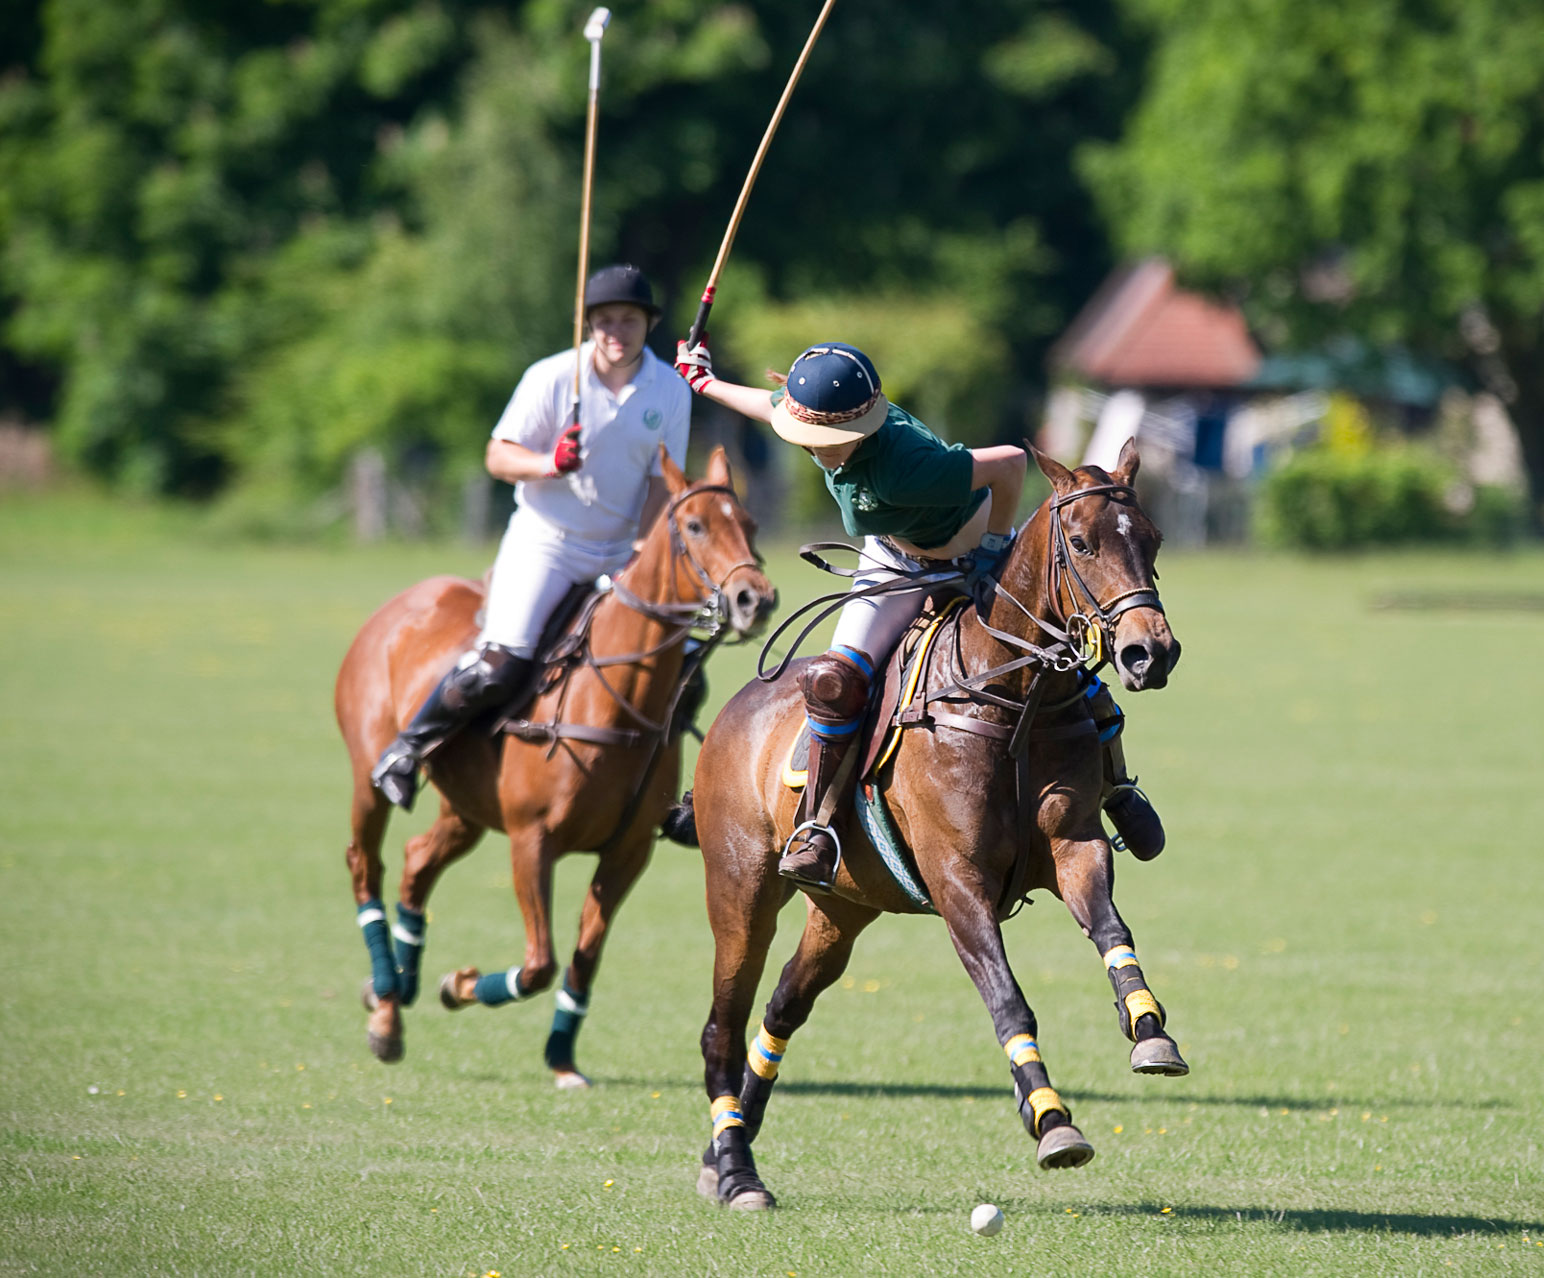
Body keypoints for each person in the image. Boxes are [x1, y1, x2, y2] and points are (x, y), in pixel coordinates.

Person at [673, 336, 1164, 890]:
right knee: (835, 681)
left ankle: (1118, 789)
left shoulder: (913, 465)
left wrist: (992, 550)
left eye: (826, 439)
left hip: (973, 556)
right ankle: (816, 827)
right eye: (808, 435)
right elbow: (768, 406)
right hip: (896, 558)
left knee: (1061, 668)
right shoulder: (821, 421)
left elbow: (1008, 464)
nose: (816, 447)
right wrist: (701, 381)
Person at [369, 264, 691, 810]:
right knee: (503, 662)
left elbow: (664, 482)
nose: (617, 331)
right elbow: (498, 455)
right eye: (605, 320)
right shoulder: (551, 377)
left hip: (619, 550)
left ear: (649, 323)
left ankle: (663, 800)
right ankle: (408, 748)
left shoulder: (671, 389)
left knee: (678, 664)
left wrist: (642, 551)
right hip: (548, 542)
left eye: (629, 319)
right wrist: (548, 462)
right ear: (588, 326)